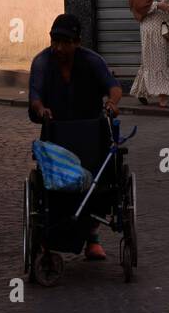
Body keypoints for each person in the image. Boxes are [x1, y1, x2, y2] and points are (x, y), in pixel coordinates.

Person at [28, 13, 123, 261]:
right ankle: (48, 236)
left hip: (91, 134)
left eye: (64, 42)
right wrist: (40, 109)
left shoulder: (92, 61)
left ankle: (92, 238)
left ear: (77, 42)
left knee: (101, 181)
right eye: (54, 41)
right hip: (56, 133)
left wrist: (112, 103)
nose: (58, 47)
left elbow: (113, 86)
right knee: (54, 188)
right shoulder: (42, 62)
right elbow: (35, 95)